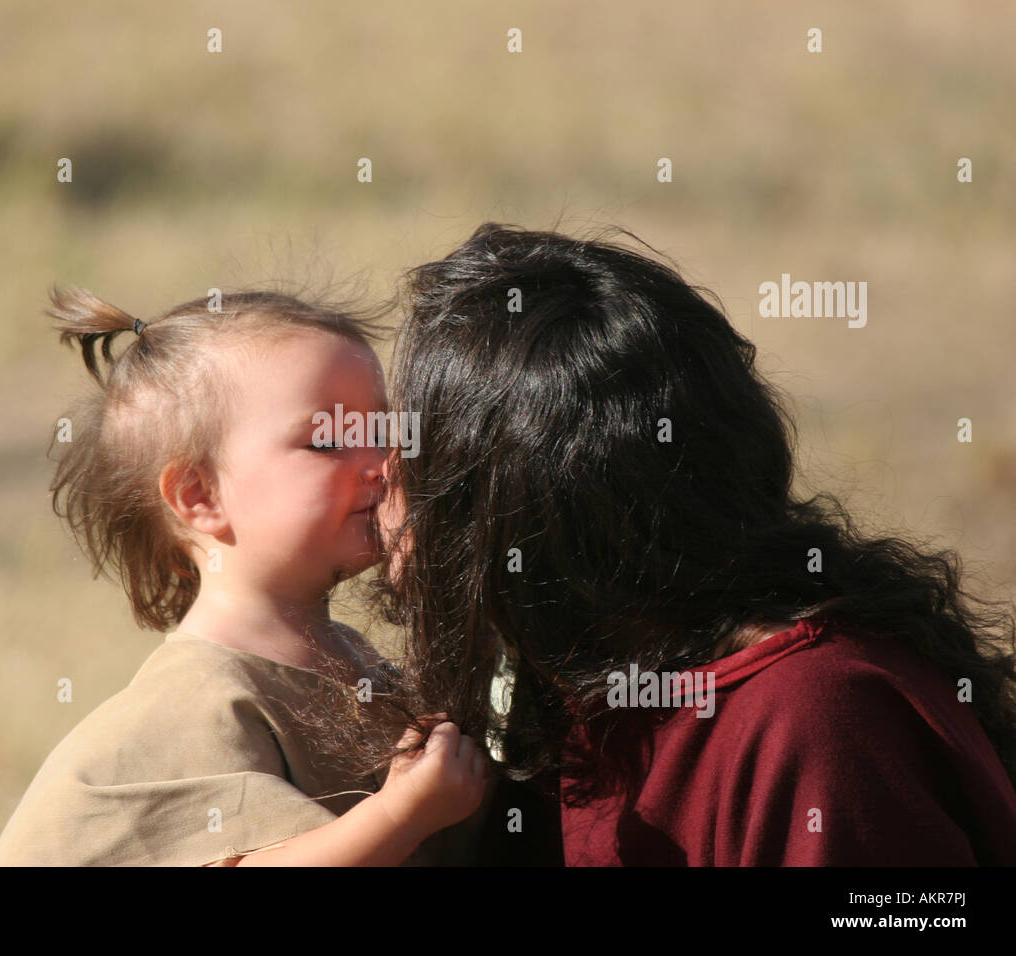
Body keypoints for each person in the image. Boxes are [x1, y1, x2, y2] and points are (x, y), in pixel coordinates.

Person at [315, 221, 1016, 865]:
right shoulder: (563, 678)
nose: (383, 471)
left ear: (512, 515)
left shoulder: (817, 722)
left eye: (415, 442)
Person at [0, 285, 486, 866]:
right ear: (200, 496)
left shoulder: (350, 659)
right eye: (328, 440)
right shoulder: (201, 698)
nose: (382, 462)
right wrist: (402, 814)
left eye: (381, 431)